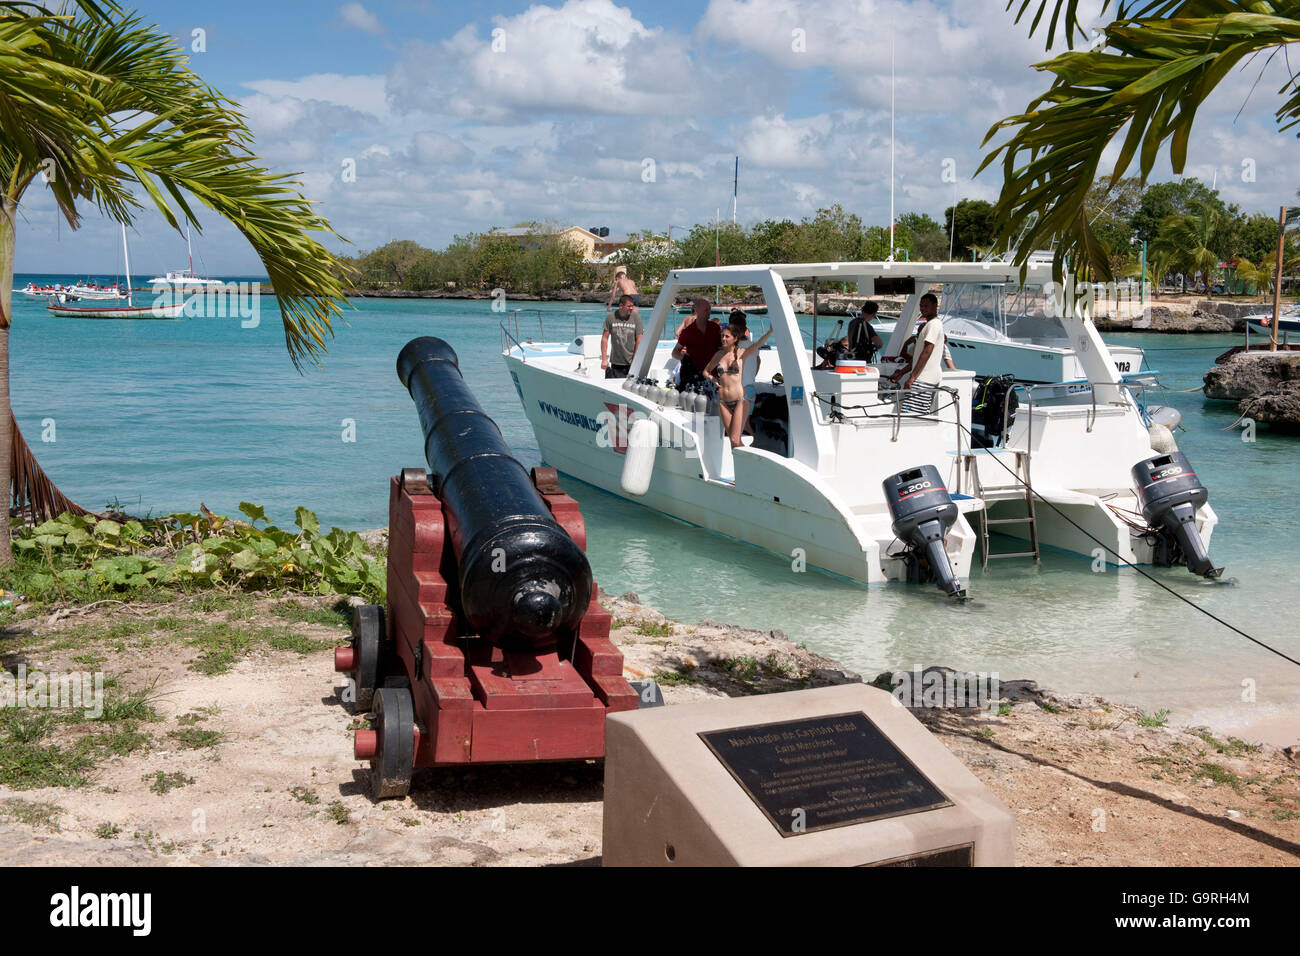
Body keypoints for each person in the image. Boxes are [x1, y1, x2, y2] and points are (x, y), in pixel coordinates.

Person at [705, 323, 774, 448]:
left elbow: (757, 344)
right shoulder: (719, 355)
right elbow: (706, 371)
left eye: (727, 336)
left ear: (735, 339)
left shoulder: (742, 354)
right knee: (733, 442)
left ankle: (747, 463)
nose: (723, 339)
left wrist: (769, 332)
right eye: (722, 336)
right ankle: (739, 465)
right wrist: (713, 379)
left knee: (735, 439)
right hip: (722, 402)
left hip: (740, 401)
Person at [888, 292, 950, 412]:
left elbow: (927, 352)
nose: (922, 309)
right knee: (913, 415)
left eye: (926, 306)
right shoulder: (929, 325)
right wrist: (901, 372)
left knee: (910, 415)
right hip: (922, 379)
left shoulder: (934, 324)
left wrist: (912, 377)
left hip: (923, 380)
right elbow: (917, 358)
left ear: (935, 305)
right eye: (921, 306)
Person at [673, 297, 722, 390]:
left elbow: (721, 349)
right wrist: (685, 359)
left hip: (712, 375)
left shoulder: (715, 328)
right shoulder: (688, 331)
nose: (709, 312)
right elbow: (675, 352)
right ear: (697, 311)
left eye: (710, 309)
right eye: (706, 310)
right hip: (694, 375)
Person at [601, 294, 644, 379]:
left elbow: (639, 339)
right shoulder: (611, 317)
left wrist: (635, 361)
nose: (631, 308)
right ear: (621, 306)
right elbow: (604, 338)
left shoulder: (636, 318)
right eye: (629, 306)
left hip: (631, 363)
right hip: (616, 363)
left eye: (632, 306)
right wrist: (604, 359)